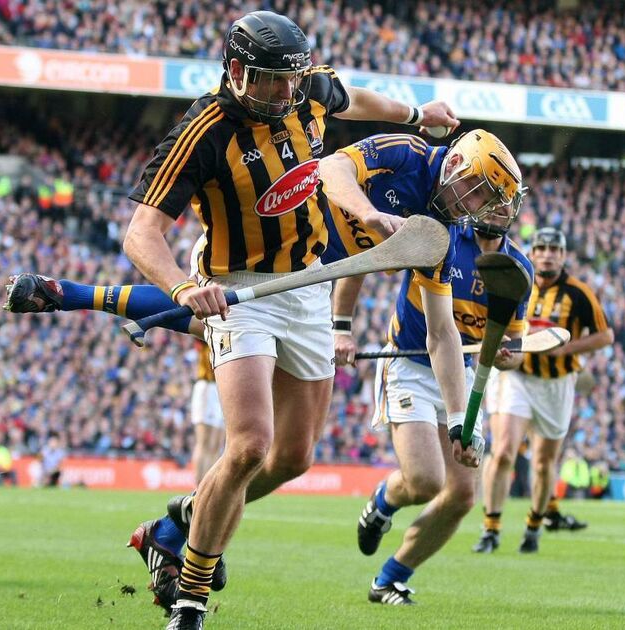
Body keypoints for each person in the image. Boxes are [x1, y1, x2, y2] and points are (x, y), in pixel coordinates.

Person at [118, 10, 459, 628]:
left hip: (307, 287)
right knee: (250, 445)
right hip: (237, 288)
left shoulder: (308, 89)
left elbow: (355, 97)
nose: (284, 91)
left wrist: (416, 115)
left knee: (294, 457)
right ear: (236, 70)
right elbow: (141, 233)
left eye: (291, 78)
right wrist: (183, 287)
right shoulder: (203, 131)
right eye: (271, 79)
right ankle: (191, 597)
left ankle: (177, 523)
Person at [327, 130, 530, 604]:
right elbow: (368, 263)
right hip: (412, 366)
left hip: (461, 375)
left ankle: (390, 578)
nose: (489, 208)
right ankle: (384, 502)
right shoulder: (440, 233)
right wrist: (341, 326)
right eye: (483, 195)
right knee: (425, 480)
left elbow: (512, 345)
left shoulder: (518, 267)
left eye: (499, 201)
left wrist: (502, 361)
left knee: (461, 496)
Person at [475, 227, 614, 554]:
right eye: (541, 248)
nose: (547, 255)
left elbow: (605, 336)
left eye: (554, 249)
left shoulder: (579, 293)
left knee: (543, 462)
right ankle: (490, 528)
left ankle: (534, 526)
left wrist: (565, 349)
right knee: (503, 450)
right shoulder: (516, 282)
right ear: (532, 253)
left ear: (563, 256)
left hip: (556, 384)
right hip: (516, 377)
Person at [189, 341, 224, 484]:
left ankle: (210, 488)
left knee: (216, 444)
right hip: (207, 385)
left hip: (223, 386)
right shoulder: (207, 332)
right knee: (204, 442)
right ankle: (198, 489)